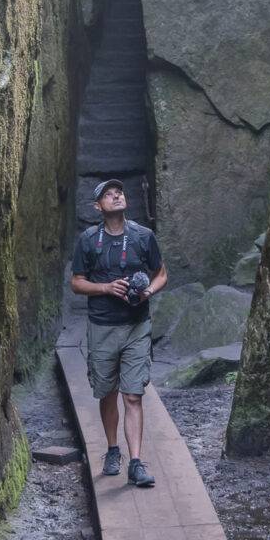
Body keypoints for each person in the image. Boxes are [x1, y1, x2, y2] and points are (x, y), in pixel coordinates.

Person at [70, 179, 168, 487]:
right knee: (107, 392)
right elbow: (76, 282)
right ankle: (113, 450)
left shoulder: (143, 236)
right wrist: (106, 288)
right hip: (102, 327)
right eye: (108, 195)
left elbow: (161, 273)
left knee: (133, 395)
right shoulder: (89, 240)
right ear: (97, 206)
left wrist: (148, 291)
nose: (116, 196)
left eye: (119, 192)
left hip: (136, 325)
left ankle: (136, 463)